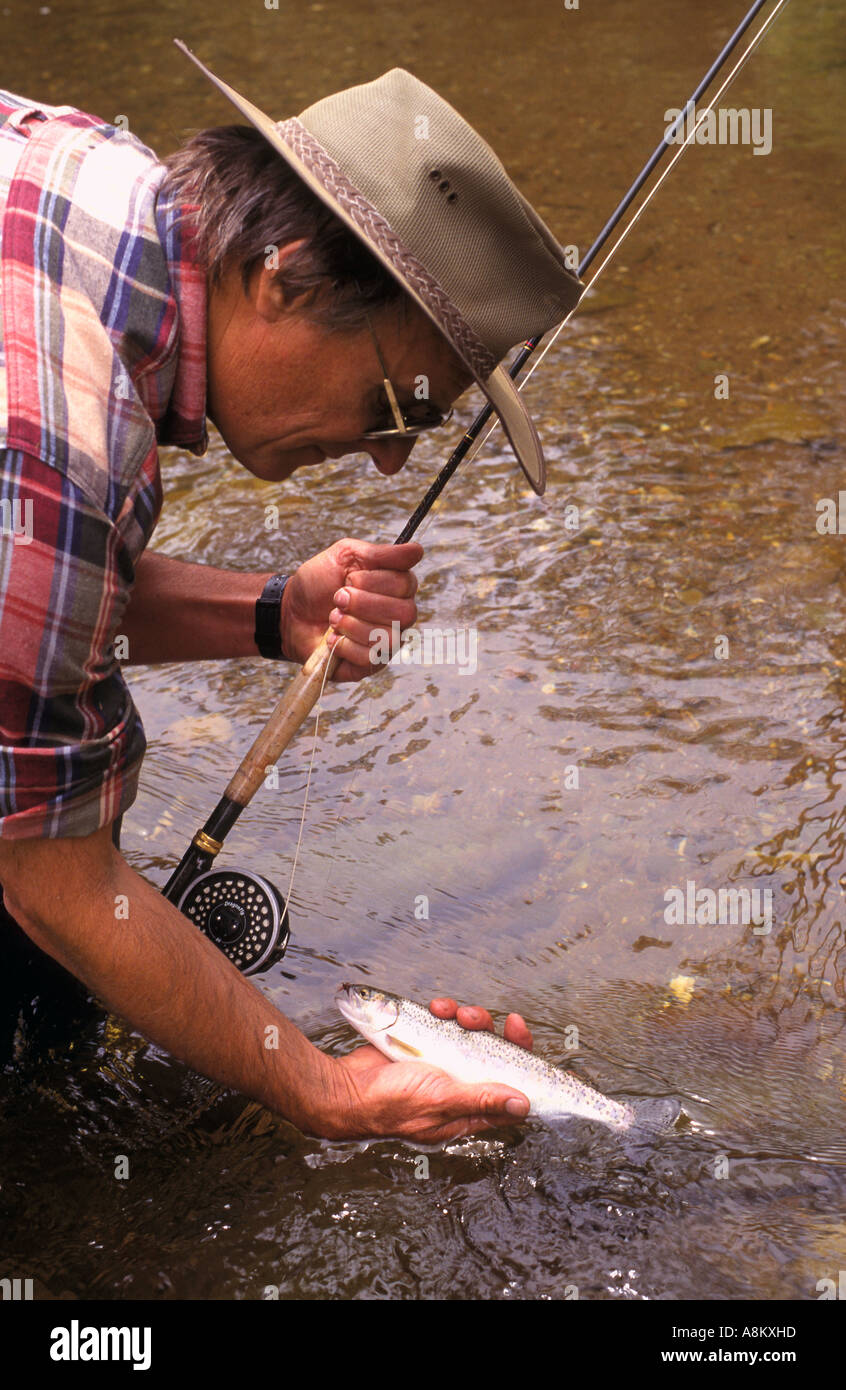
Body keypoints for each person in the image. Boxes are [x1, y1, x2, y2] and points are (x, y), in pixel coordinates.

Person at [0, 49, 582, 1140]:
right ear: (287, 271)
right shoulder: (55, 429)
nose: (390, 463)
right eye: (394, 404)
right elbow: (44, 871)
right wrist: (328, 1090)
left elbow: (41, 593)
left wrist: (274, 614)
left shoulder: (94, 181)